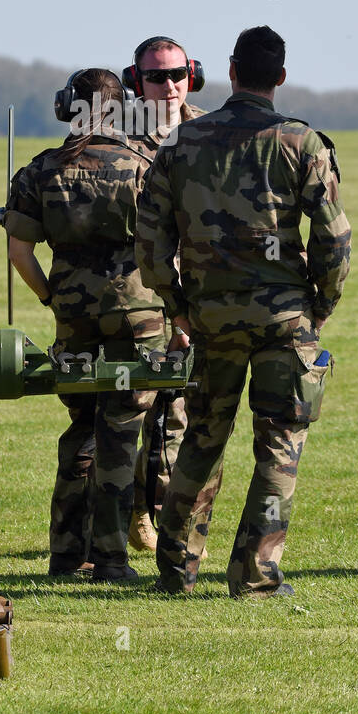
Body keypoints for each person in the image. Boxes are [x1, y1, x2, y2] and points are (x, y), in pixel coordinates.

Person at [136, 25, 352, 598]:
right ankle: (254, 576)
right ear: (280, 77)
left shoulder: (181, 144)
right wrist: (321, 303)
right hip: (285, 318)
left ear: (230, 71)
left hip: (209, 318)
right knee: (279, 445)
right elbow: (333, 241)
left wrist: (175, 305)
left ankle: (176, 569)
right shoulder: (301, 143)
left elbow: (149, 234)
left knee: (202, 439)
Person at [5, 68, 164, 583]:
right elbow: (169, 247)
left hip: (73, 315)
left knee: (81, 429)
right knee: (120, 430)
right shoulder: (144, 166)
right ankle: (112, 560)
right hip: (137, 314)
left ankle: (66, 555)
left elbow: (19, 250)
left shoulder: (39, 171)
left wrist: (52, 296)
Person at [122, 36, 205, 553]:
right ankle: (134, 513)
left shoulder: (207, 130)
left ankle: (157, 512)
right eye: (157, 77)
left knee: (181, 409)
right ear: (136, 82)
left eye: (178, 74)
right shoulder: (117, 138)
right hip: (141, 292)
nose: (170, 85)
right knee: (135, 406)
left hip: (198, 289)